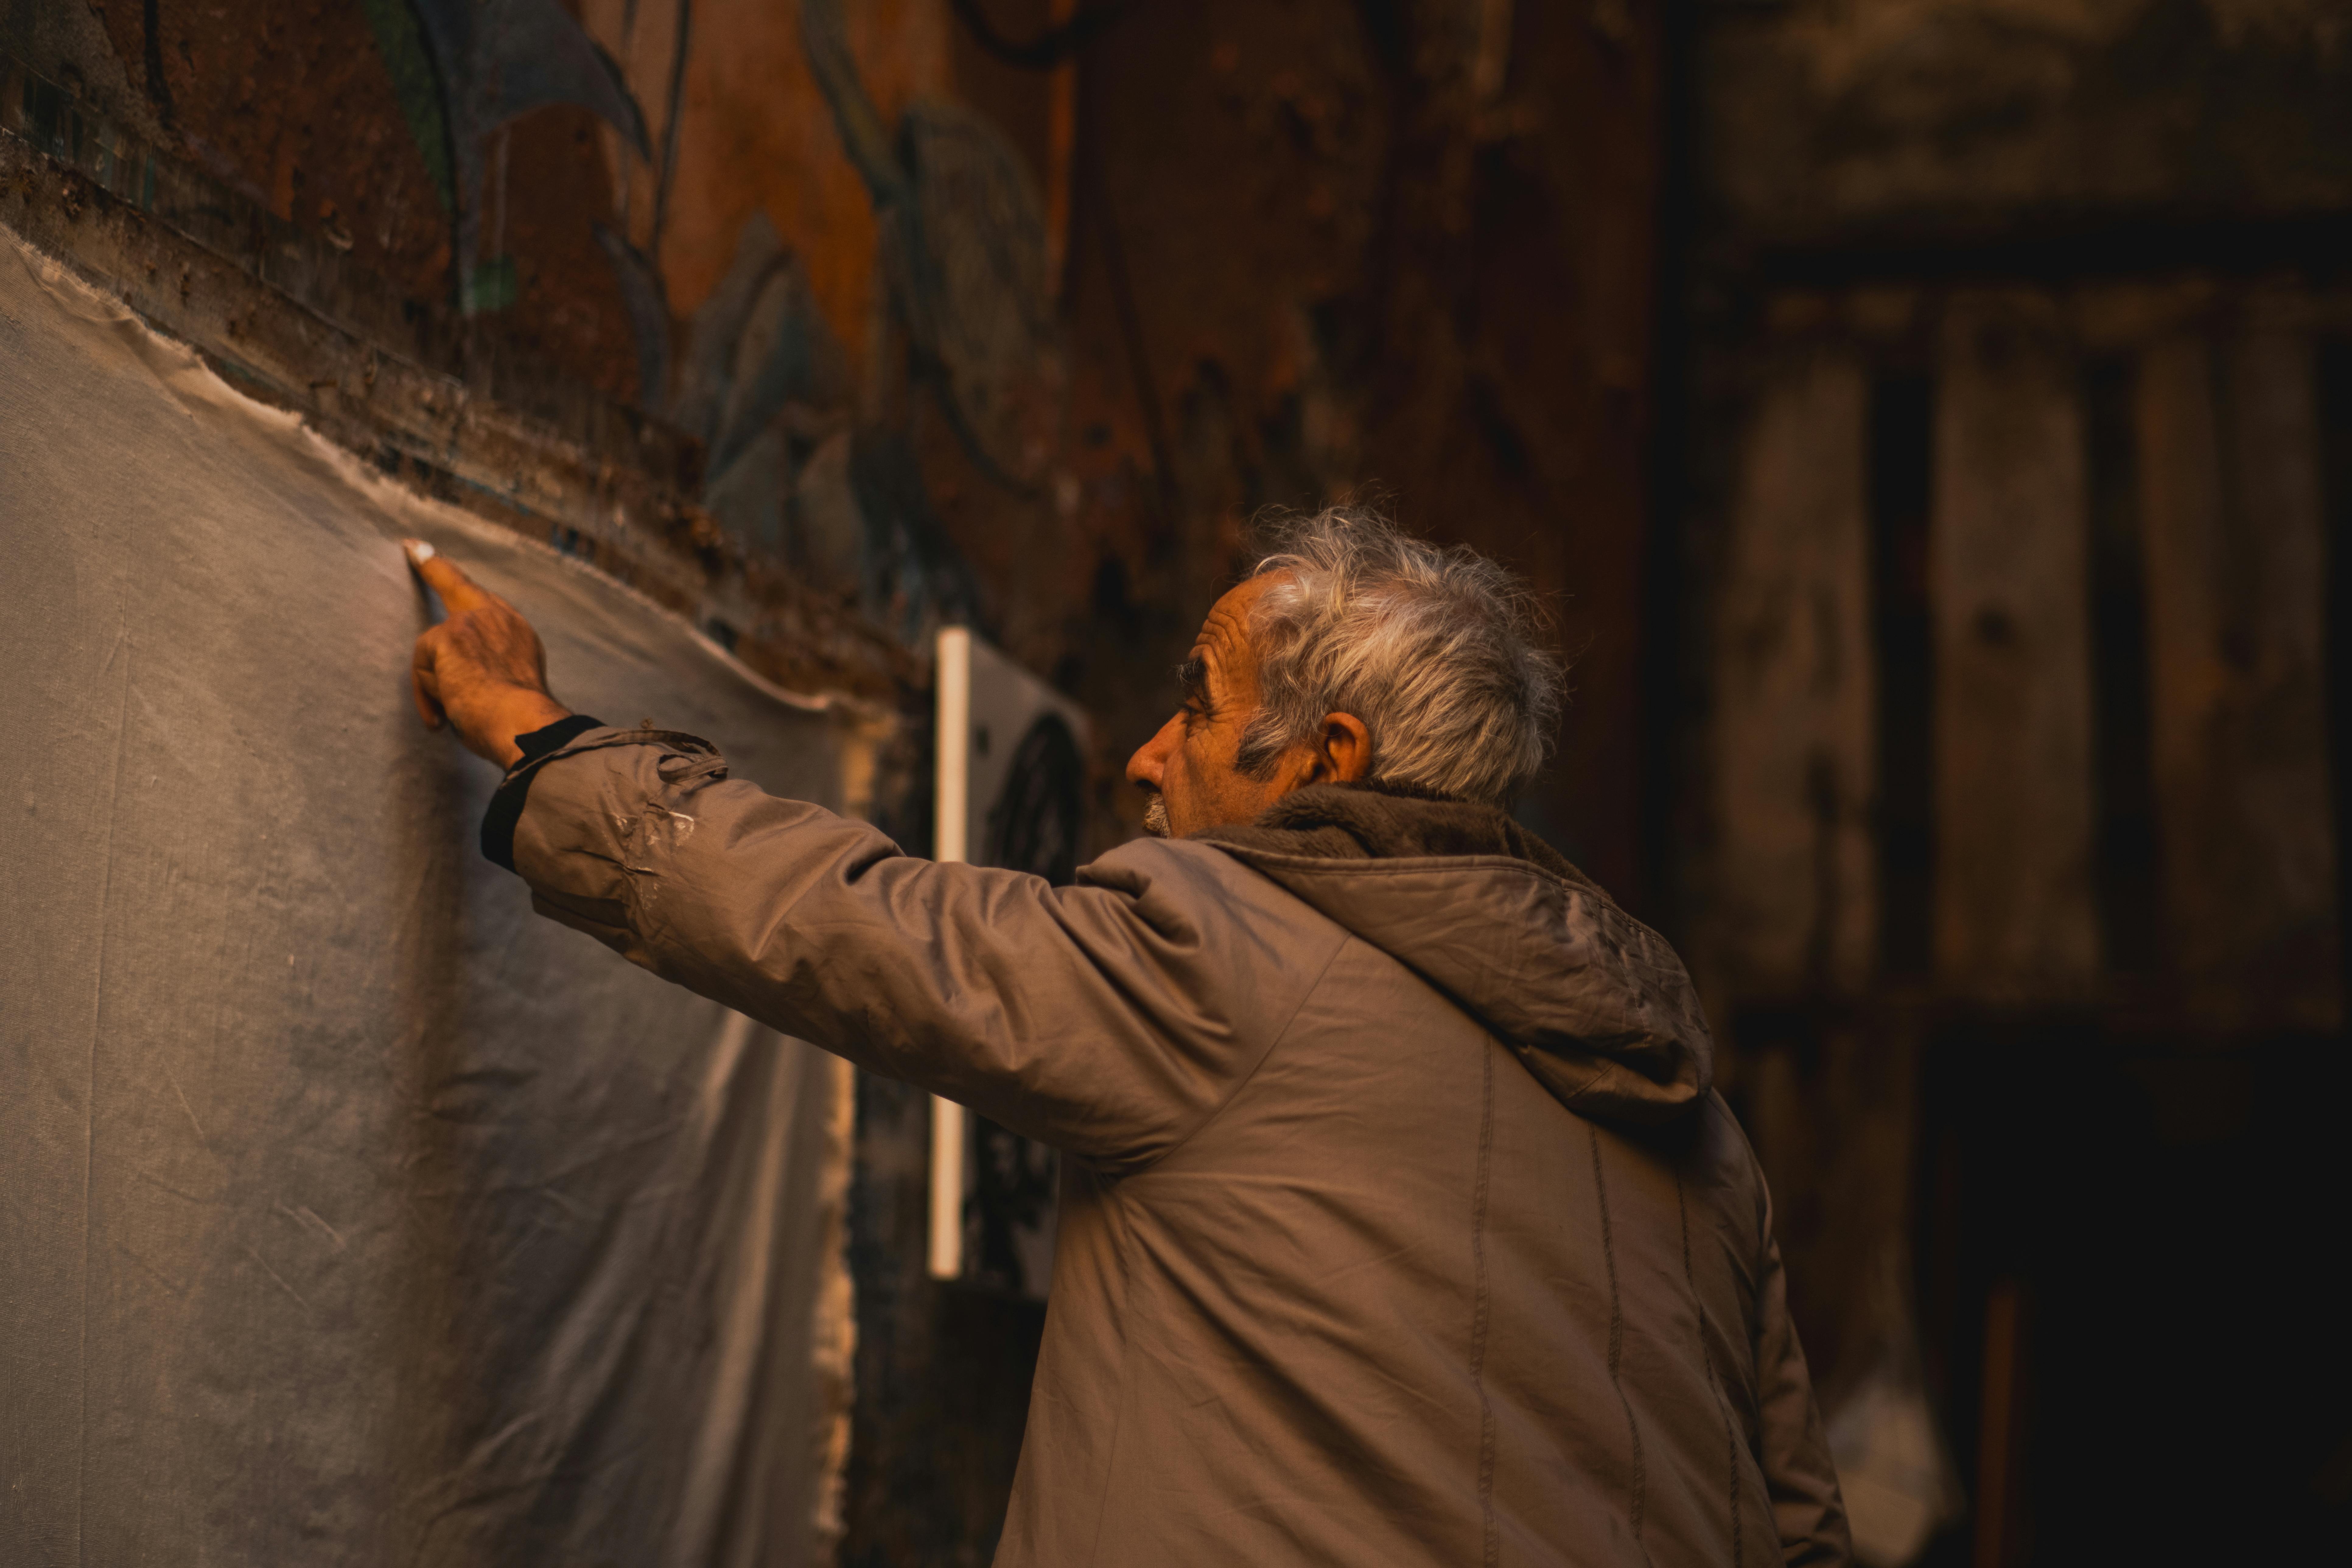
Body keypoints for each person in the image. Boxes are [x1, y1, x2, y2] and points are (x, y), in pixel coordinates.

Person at [405, 508, 1850, 1567]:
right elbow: (1802, 1531)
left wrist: (543, 736)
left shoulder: (1236, 954)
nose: (1148, 755)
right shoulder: (1703, 1132)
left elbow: (852, 925)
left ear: (1330, 760)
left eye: (1196, 705)